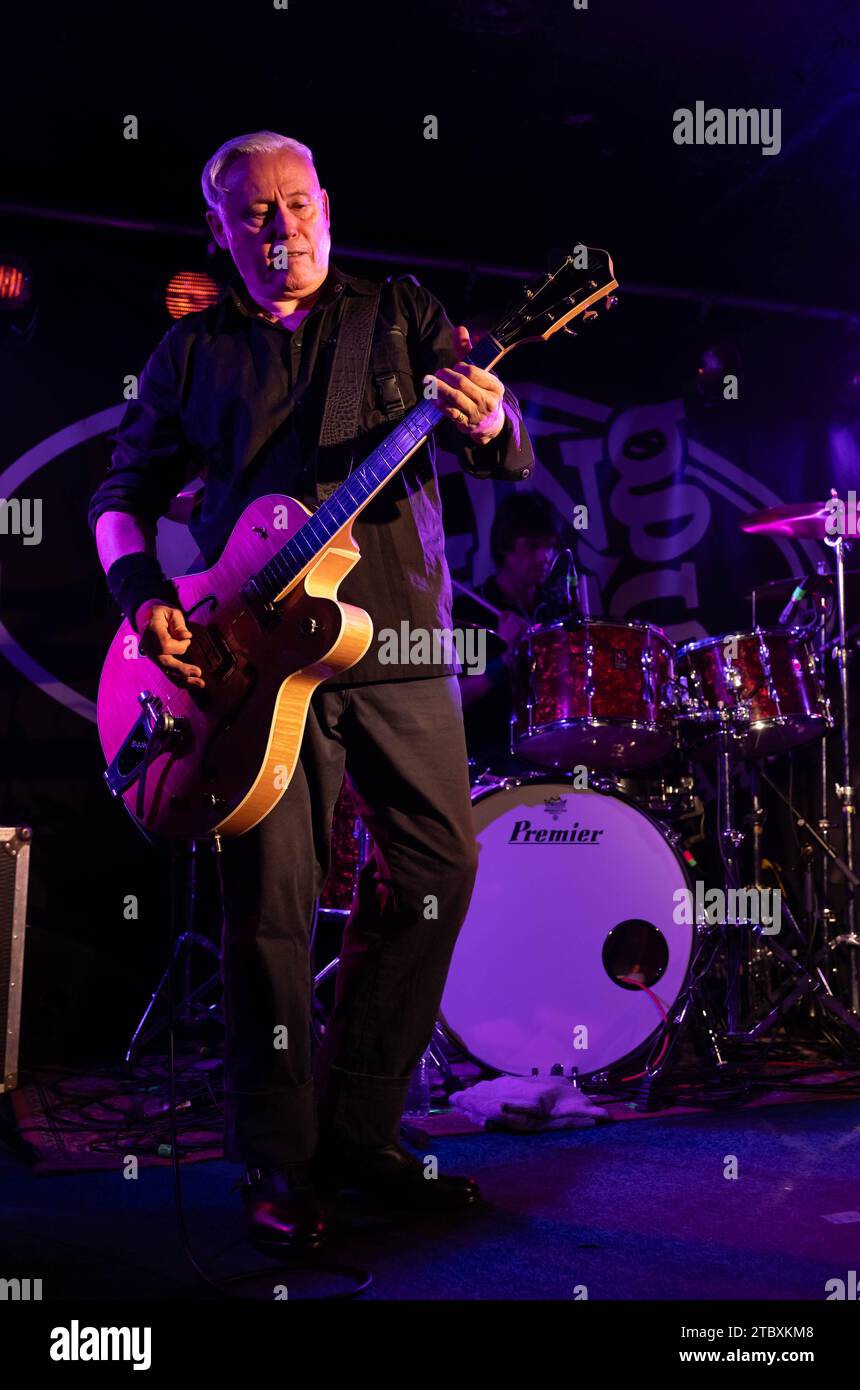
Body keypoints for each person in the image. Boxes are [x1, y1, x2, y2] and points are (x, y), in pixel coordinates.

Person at [88, 131, 535, 1251]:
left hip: (396, 643)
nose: (281, 229)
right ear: (223, 231)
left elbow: (499, 450)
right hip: (253, 666)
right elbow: (118, 496)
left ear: (327, 206)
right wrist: (147, 600)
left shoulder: (402, 314)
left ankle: (361, 1130)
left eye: (296, 205)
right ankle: (276, 1161)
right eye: (256, 215)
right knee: (269, 916)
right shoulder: (191, 353)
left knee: (439, 868)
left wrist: (490, 419)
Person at [453, 491, 564, 776]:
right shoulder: (469, 614)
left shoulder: (556, 613)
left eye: (549, 547)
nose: (544, 557)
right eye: (531, 546)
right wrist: (506, 660)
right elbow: (455, 699)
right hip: (487, 768)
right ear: (505, 546)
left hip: (553, 760)